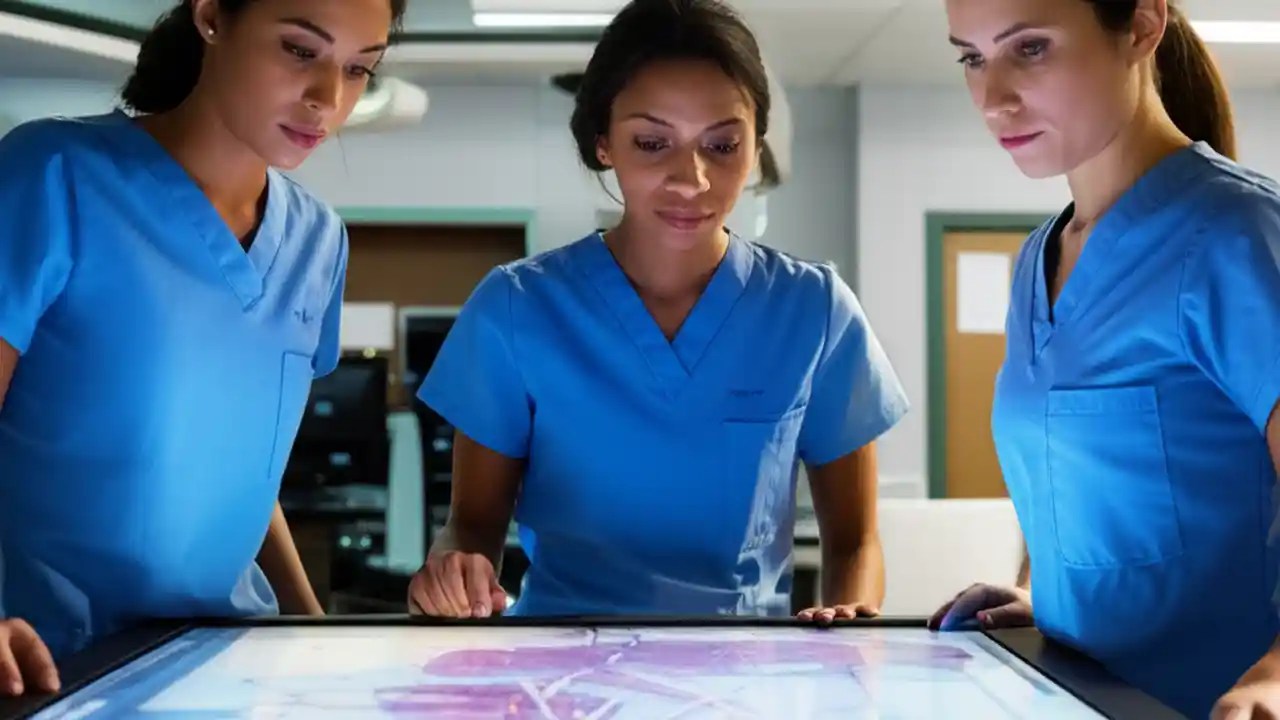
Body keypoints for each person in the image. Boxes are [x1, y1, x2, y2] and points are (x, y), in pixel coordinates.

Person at [406, 0, 908, 623]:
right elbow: (471, 530)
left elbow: (856, 541)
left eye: (722, 144)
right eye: (651, 142)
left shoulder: (813, 310)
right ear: (603, 143)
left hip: (748, 677)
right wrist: (452, 576)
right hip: (561, 674)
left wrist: (850, 621)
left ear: (756, 148)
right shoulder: (517, 308)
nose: (691, 178)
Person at [0, 0, 405, 697]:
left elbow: (245, 474)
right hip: (53, 662)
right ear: (212, 15)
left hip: (228, 663)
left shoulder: (317, 240)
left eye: (359, 69)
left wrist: (314, 631)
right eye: (300, 51)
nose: (327, 100)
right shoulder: (52, 173)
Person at [932, 0, 1280, 717]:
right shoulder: (1038, 259)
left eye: (1029, 49)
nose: (992, 99)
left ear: (1143, 26)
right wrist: (1046, 595)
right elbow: (1081, 477)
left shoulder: (1236, 236)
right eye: (971, 57)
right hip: (1069, 692)